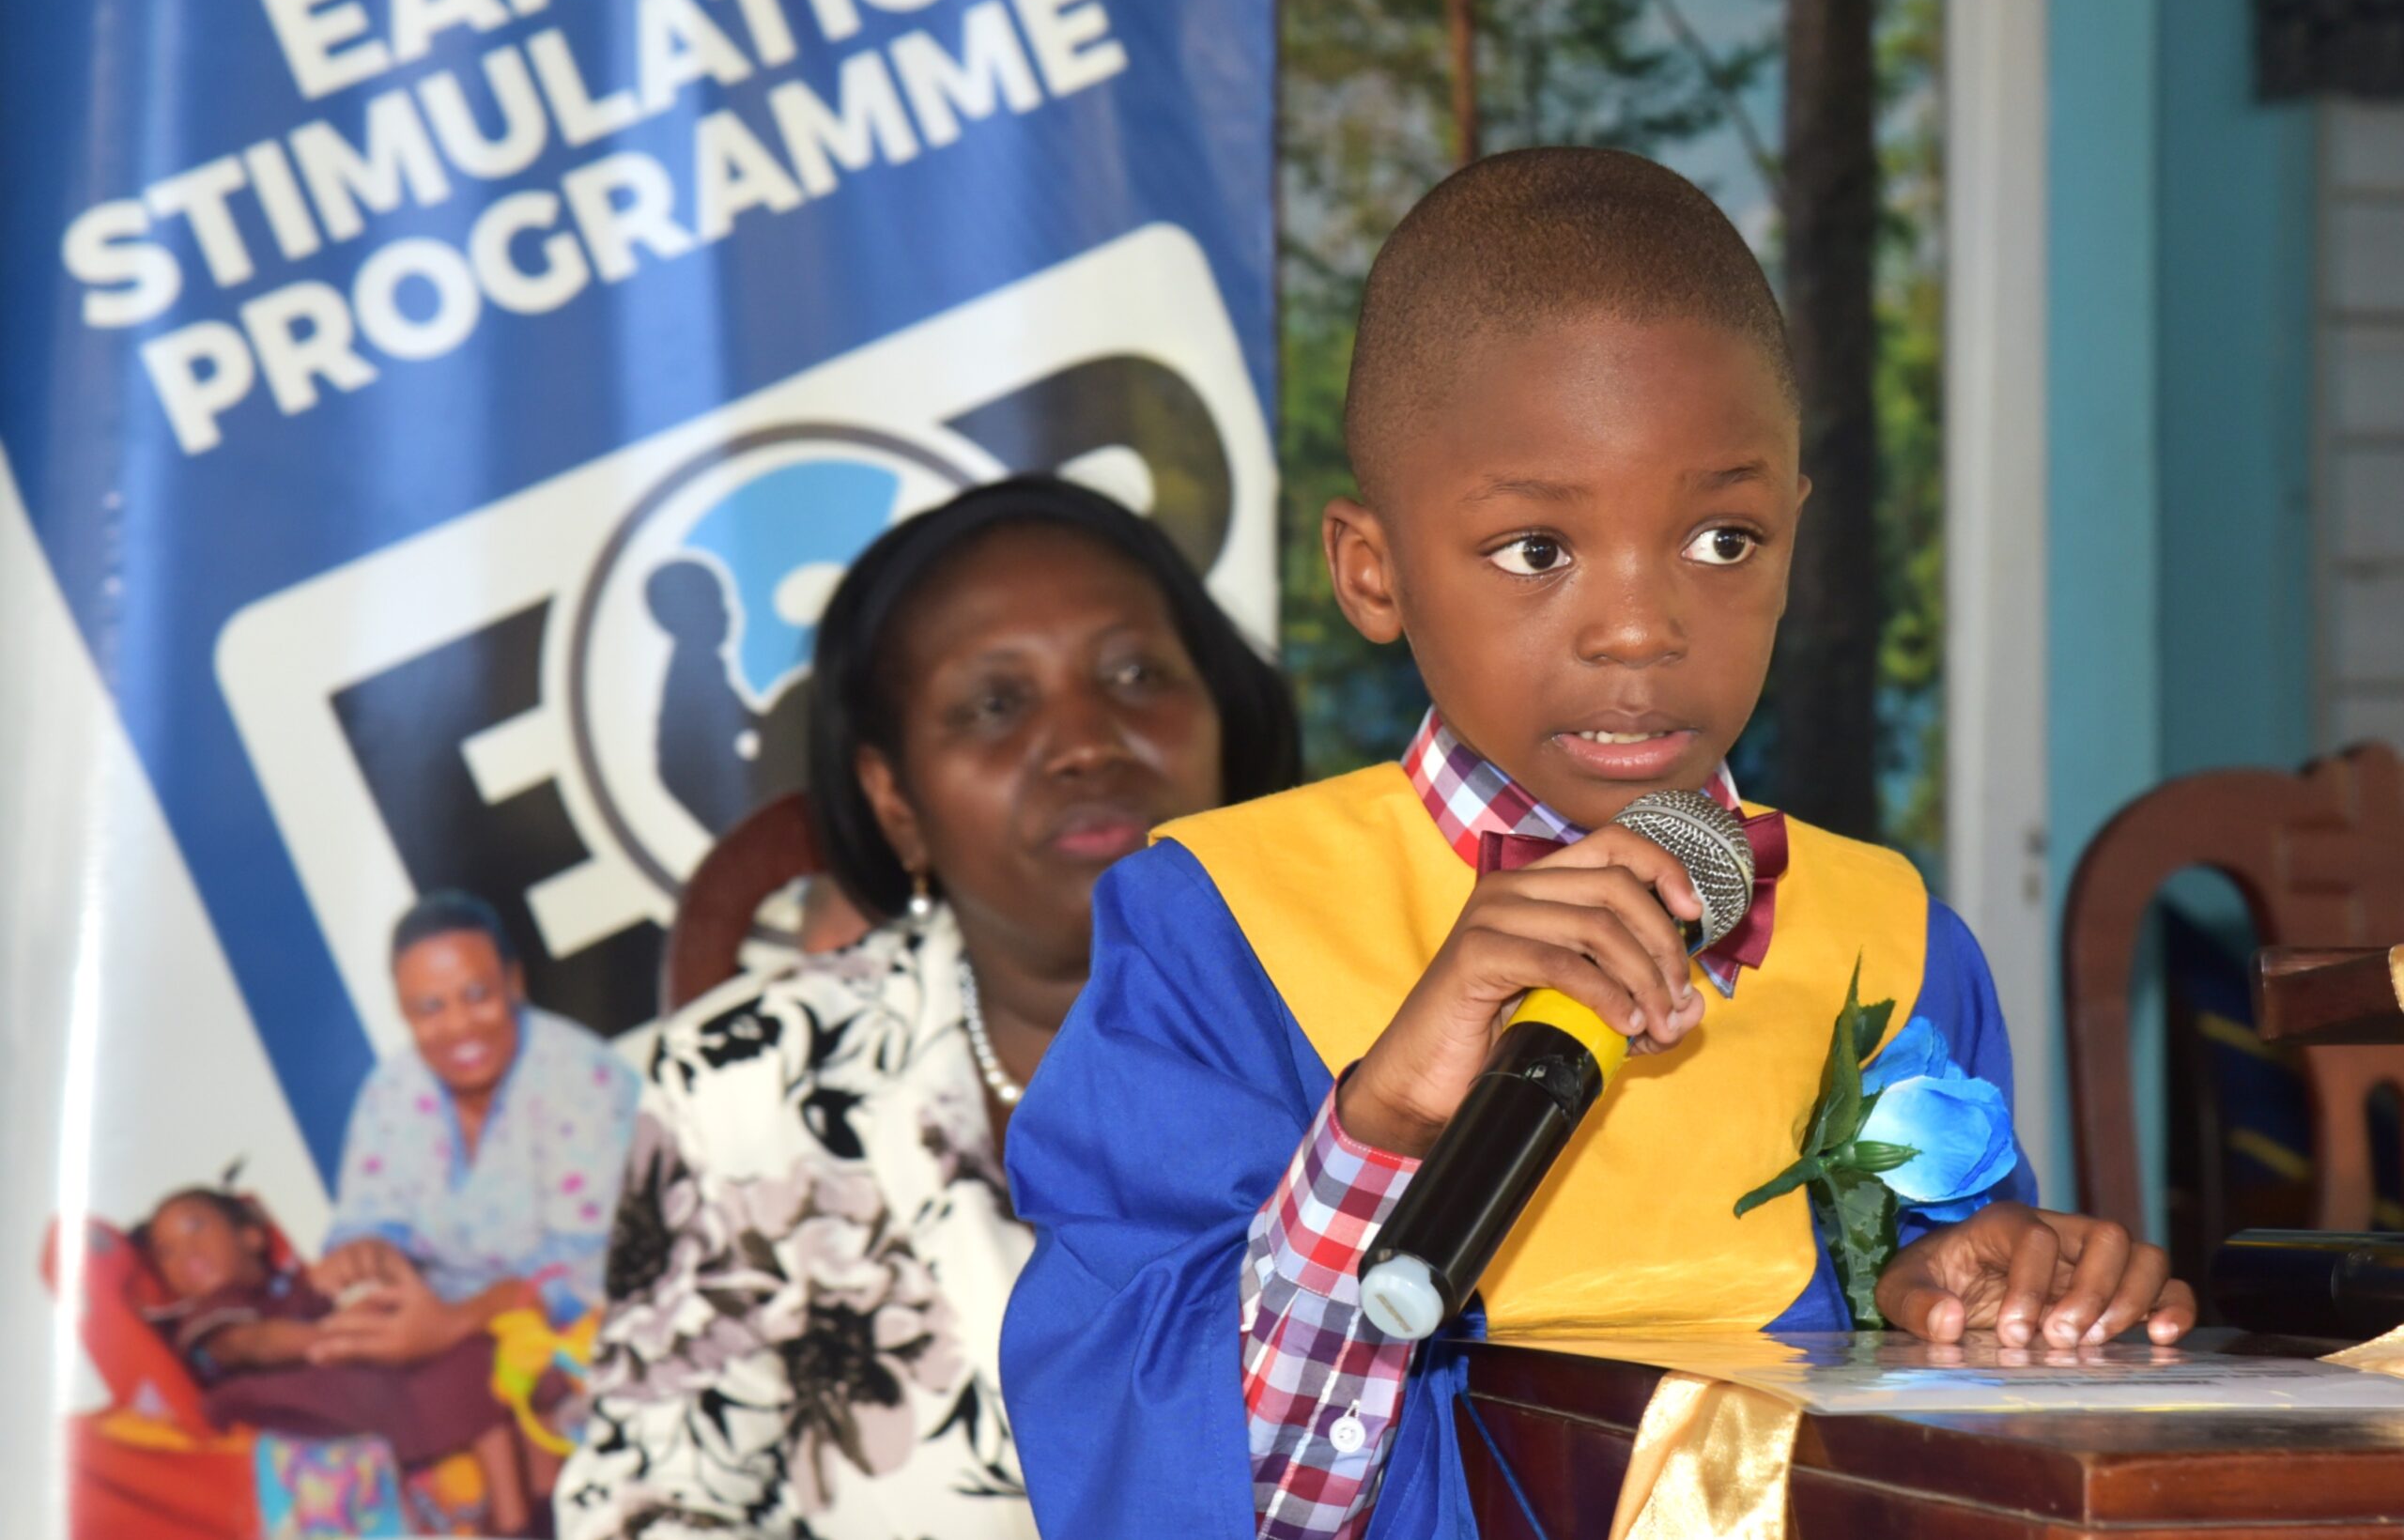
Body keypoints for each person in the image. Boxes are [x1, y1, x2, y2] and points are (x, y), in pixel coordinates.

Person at [999, 148, 2199, 1539]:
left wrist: (1992, 1301)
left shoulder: (1895, 935)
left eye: (1721, 535)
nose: (1641, 625)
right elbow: (1176, 1493)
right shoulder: (1217, 929)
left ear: (1796, 542)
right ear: (1371, 568)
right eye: (1534, 550)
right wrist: (1384, 1123)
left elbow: (1942, 1455)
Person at [557, 476, 1301, 1540]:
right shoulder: (753, 1074)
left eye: (1137, 673)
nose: (1087, 739)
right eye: (996, 705)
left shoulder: (1390, 1017)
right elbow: (645, 1508)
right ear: (896, 798)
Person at [315, 892, 641, 1369]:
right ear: (403, 1012)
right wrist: (364, 1253)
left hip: (595, 1327)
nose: (458, 1027)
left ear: (513, 983)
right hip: (443, 1328)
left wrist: (454, 1325)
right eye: (429, 1007)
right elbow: (369, 1216)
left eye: (476, 995)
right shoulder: (391, 1090)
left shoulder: (584, 1079)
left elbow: (592, 1267)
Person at [139, 1186, 532, 1533]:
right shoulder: (207, 1316)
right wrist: (332, 1335)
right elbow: (250, 1344)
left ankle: (523, 1514)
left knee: (484, 1358)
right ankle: (515, 1524)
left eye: (195, 1228)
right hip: (288, 1409)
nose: (185, 1253)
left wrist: (358, 1279)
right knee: (465, 1369)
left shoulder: (286, 1290)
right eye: (166, 1252)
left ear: (251, 1236)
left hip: (339, 1388)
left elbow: (336, 1293)